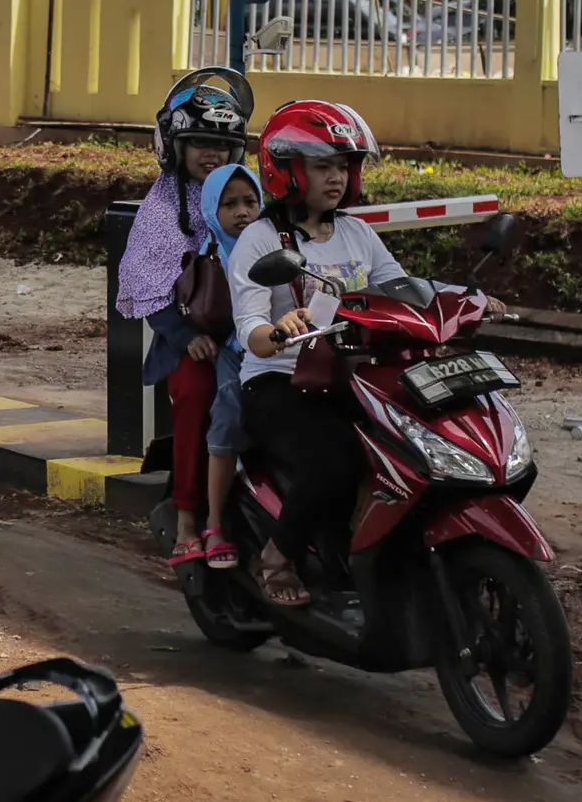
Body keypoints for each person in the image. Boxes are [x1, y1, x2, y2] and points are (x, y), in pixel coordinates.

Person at [226, 100, 398, 607]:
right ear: (288, 171)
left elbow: (401, 287)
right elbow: (252, 329)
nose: (337, 178)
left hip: (351, 375)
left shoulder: (357, 232)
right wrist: (278, 329)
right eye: (323, 166)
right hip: (279, 381)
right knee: (334, 461)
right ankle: (277, 557)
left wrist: (465, 299)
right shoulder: (260, 240)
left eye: (343, 166)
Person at [114, 81, 248, 566]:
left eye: (221, 144)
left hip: (252, 333)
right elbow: (147, 281)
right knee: (195, 397)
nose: (212, 155)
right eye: (200, 144)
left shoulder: (246, 195)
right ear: (175, 148)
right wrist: (187, 336)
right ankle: (190, 520)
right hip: (191, 338)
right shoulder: (163, 207)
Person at [195, 163, 263, 568]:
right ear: (211, 211)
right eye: (230, 204)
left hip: (280, 350)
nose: (243, 212)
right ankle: (215, 523)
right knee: (228, 418)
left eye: (251, 202)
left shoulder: (275, 245)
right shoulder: (210, 252)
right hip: (236, 353)